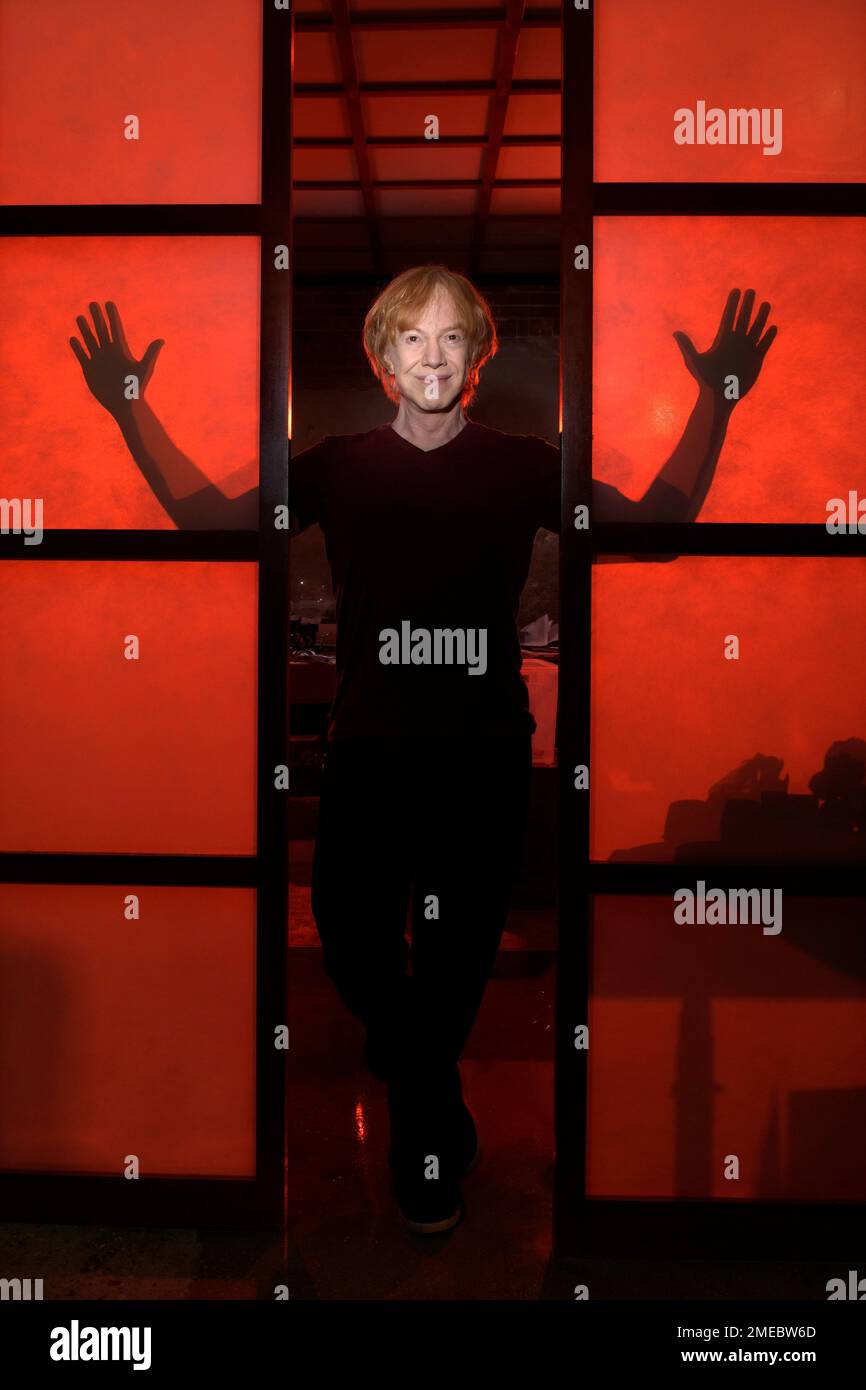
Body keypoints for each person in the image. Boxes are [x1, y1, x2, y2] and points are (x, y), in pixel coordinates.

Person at [70, 267, 776, 1234]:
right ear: (383, 356)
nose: (432, 357)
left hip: (481, 759)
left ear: (478, 356)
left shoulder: (524, 465)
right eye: (413, 338)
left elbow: (651, 531)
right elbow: (213, 525)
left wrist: (716, 399)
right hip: (368, 748)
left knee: (450, 965)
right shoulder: (335, 464)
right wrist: (131, 413)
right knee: (355, 945)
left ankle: (423, 1144)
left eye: (452, 339)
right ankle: (423, 1075)